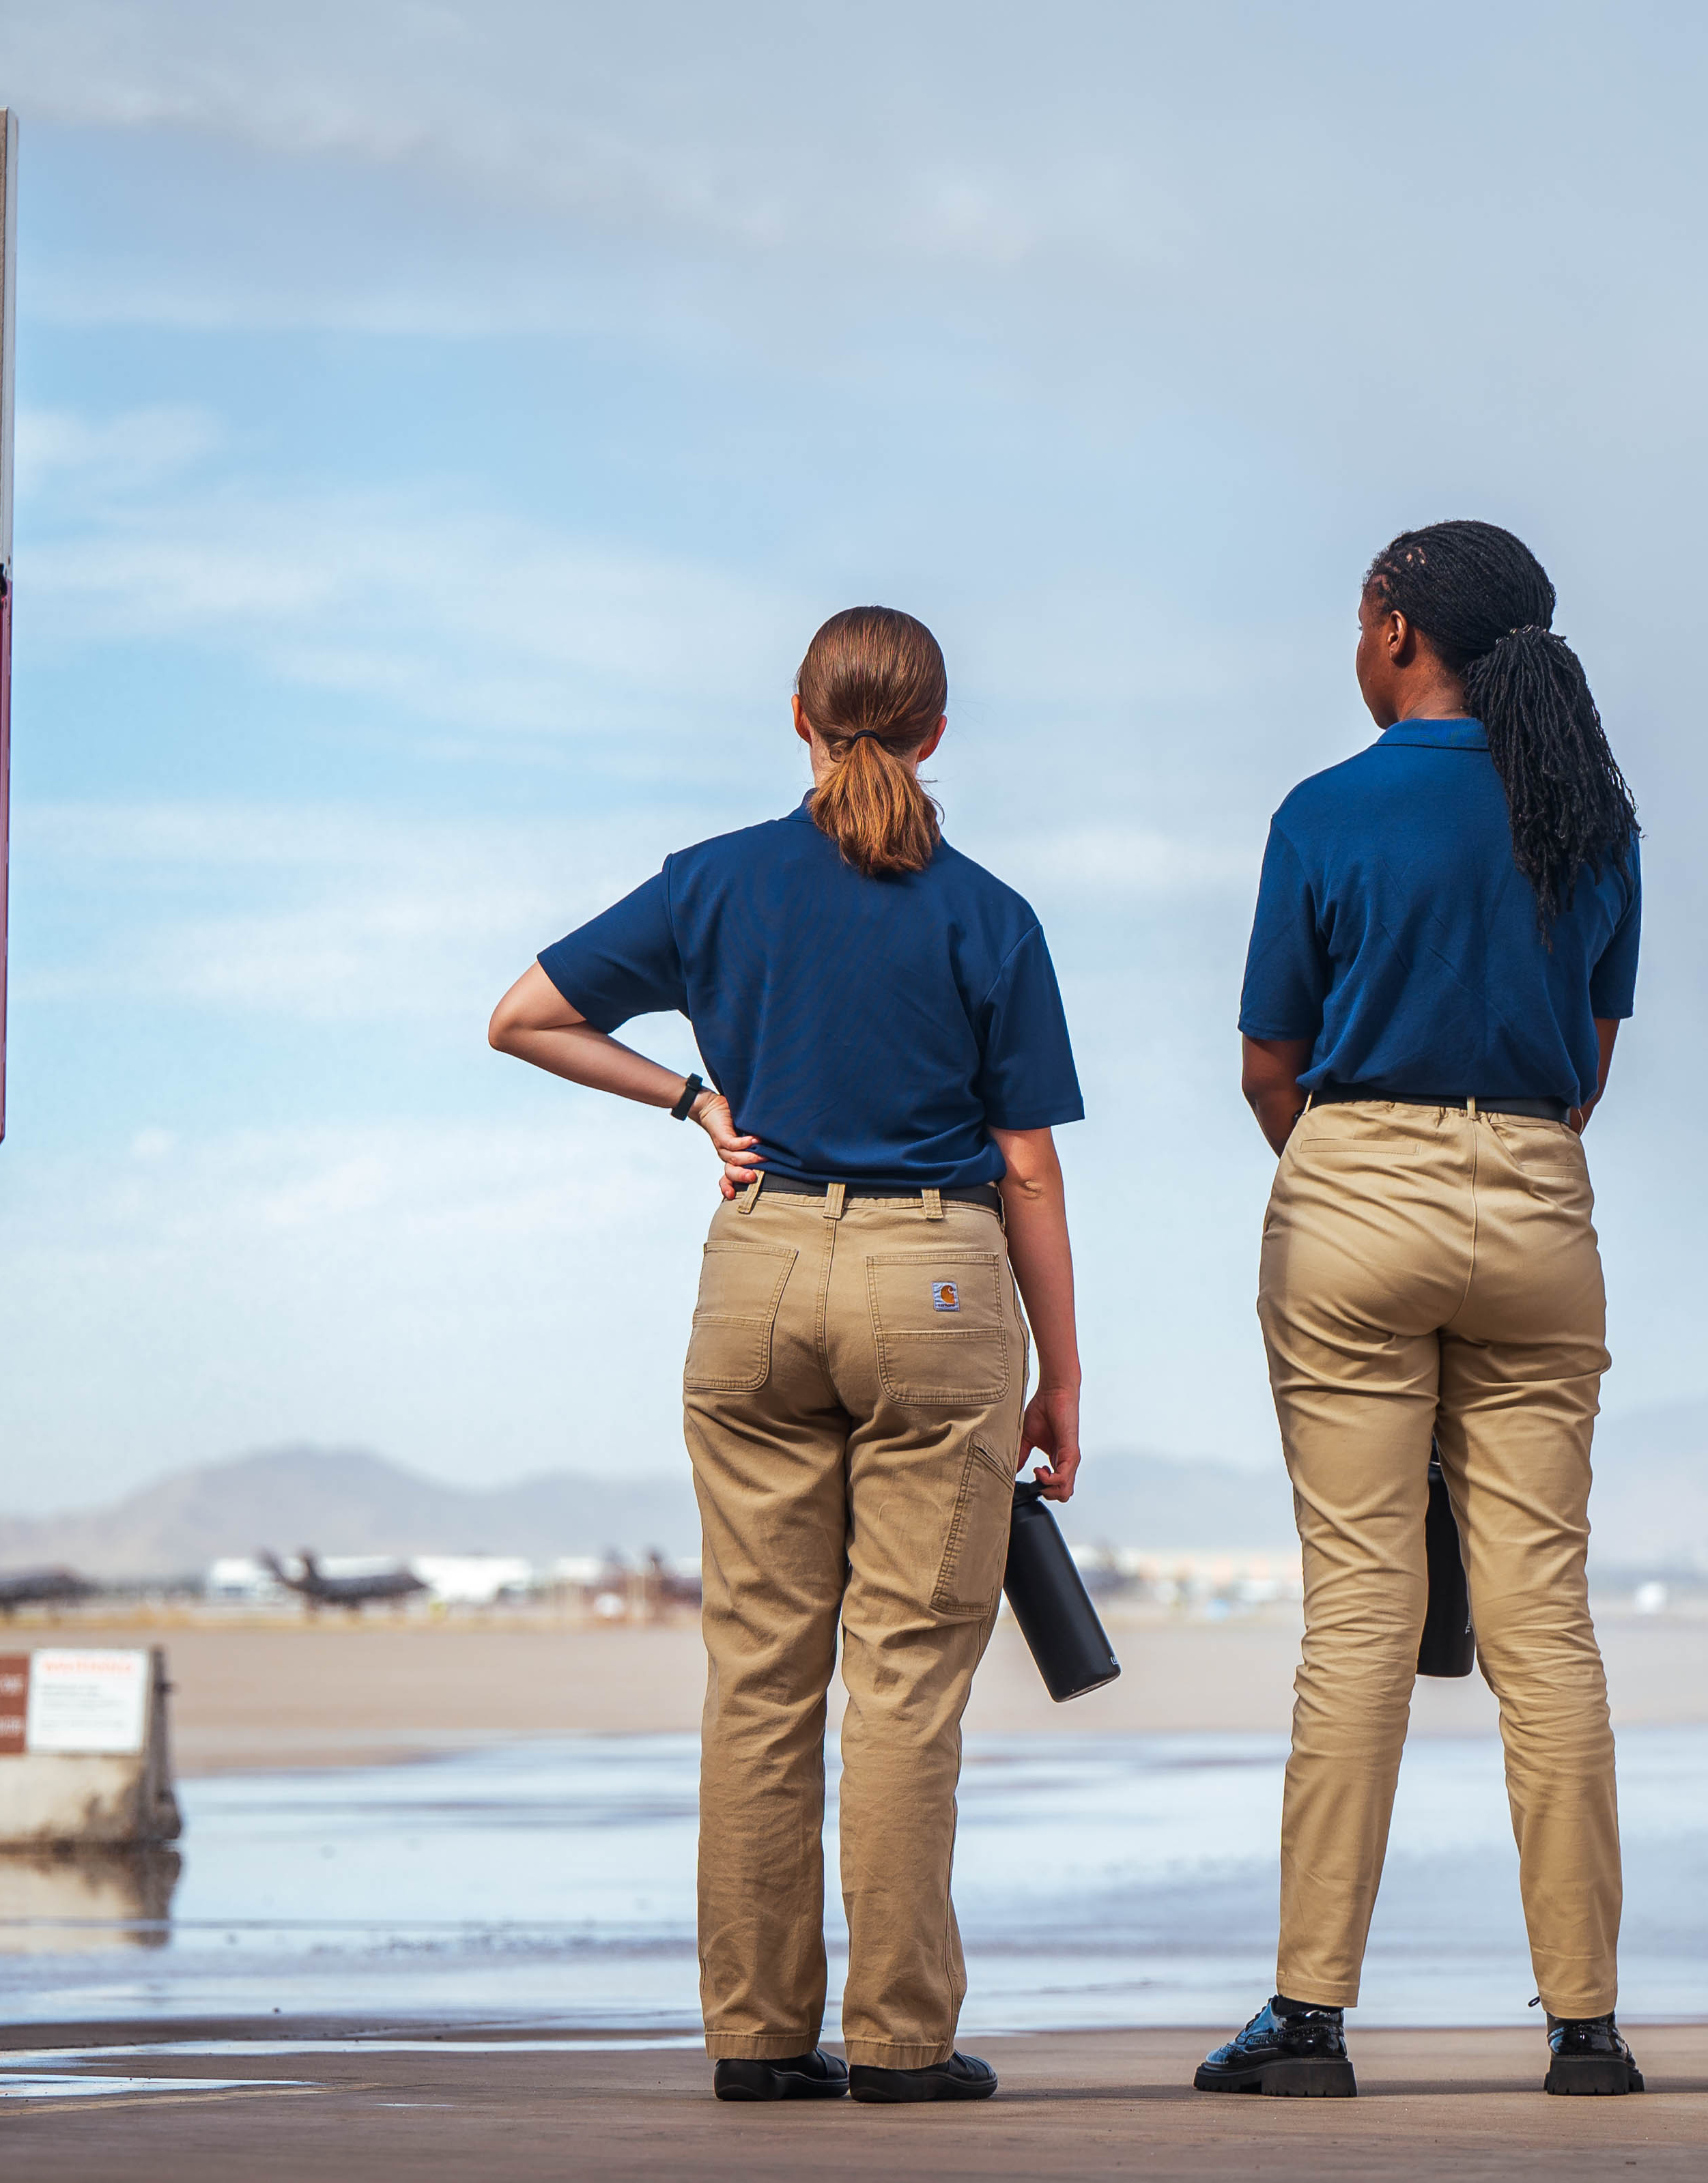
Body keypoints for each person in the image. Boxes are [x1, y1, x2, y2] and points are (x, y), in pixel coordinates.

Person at [485, 605, 1084, 2108]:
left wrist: (693, 1100)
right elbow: (1025, 1166)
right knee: (904, 1681)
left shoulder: (711, 882)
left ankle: (756, 2037)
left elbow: (523, 1017)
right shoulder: (990, 915)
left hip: (756, 1271)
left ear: (798, 721)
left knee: (758, 1673)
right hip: (933, 1282)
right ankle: (899, 2042)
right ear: (935, 734)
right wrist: (1060, 1375)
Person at [1207, 520, 1646, 2101]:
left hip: (1352, 1186)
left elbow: (1267, 1063)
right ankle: (1584, 2028)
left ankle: (1309, 2017)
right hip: (1534, 1194)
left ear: (1394, 632)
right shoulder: (1591, 819)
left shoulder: (1323, 810)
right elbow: (1588, 1063)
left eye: (1359, 621)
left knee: (1358, 1616)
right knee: (1543, 1623)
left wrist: (1352, 1173)